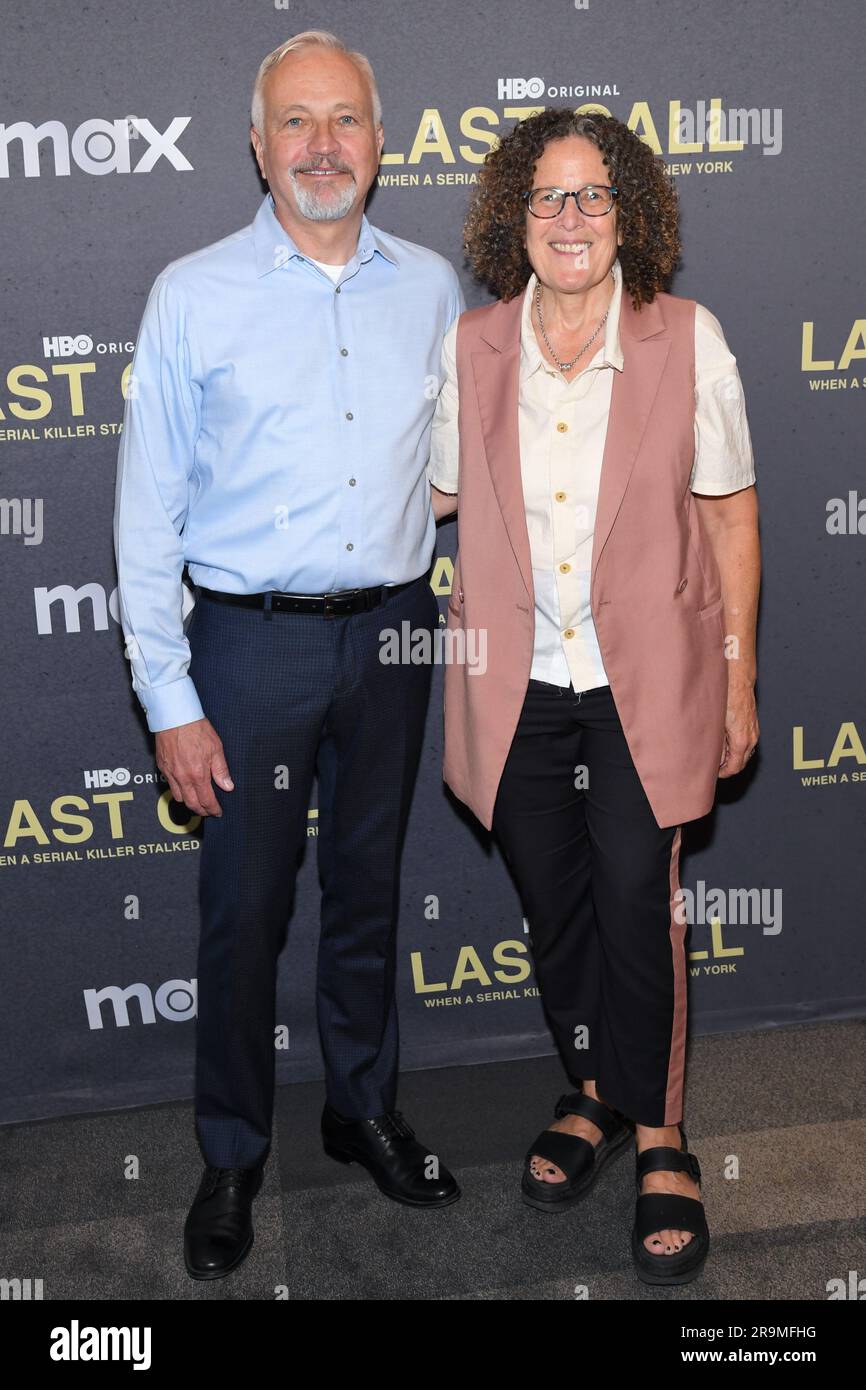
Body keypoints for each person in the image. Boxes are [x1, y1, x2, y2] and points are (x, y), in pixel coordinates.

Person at [114, 29, 465, 1282]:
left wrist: (399, 520)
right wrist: (171, 696)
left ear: (381, 144)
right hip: (247, 653)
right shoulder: (192, 293)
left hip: (391, 633)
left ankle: (359, 1105)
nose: (323, 145)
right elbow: (145, 514)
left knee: (366, 893)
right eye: (297, 123)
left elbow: (458, 453)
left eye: (347, 121)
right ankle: (228, 1153)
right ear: (257, 147)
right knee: (242, 915)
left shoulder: (428, 285)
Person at [428, 107, 759, 1285]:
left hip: (643, 684)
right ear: (512, 220)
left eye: (591, 197)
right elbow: (431, 502)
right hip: (514, 688)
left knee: (633, 898)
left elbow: (724, 513)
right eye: (546, 199)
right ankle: (593, 1089)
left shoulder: (685, 339)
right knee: (553, 903)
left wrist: (736, 679)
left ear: (629, 216)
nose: (568, 219)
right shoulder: (469, 348)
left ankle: (660, 1131)